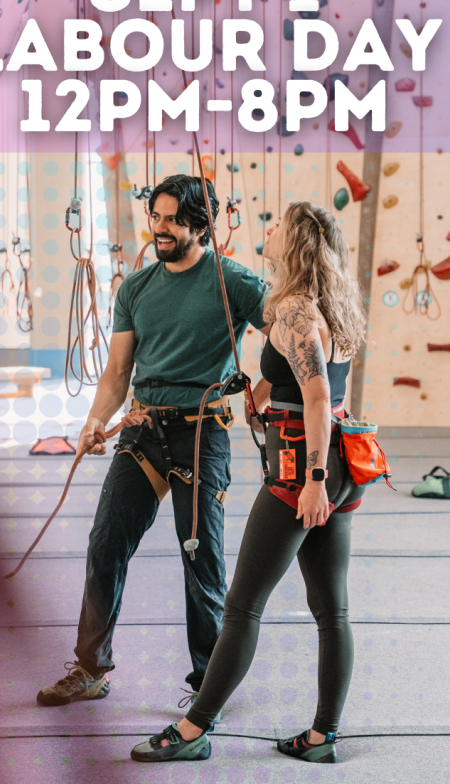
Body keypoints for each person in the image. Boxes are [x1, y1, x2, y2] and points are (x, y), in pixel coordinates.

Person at [130, 201, 367, 765]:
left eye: (277, 226)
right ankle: (322, 736)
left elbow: (313, 398)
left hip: (300, 472)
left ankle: (193, 730)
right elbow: (322, 388)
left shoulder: (294, 311)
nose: (267, 230)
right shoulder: (334, 308)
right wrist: (259, 397)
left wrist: (310, 480)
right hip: (341, 466)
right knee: (332, 611)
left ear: (297, 243)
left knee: (241, 607)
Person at [36, 174, 269, 709]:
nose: (159, 229)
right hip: (144, 428)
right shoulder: (136, 288)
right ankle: (90, 667)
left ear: (201, 224)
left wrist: (256, 397)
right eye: (156, 217)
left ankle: (210, 681)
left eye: (172, 220)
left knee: (201, 556)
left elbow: (291, 345)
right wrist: (96, 420)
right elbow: (118, 370)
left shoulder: (235, 283)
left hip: (201, 433)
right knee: (105, 542)